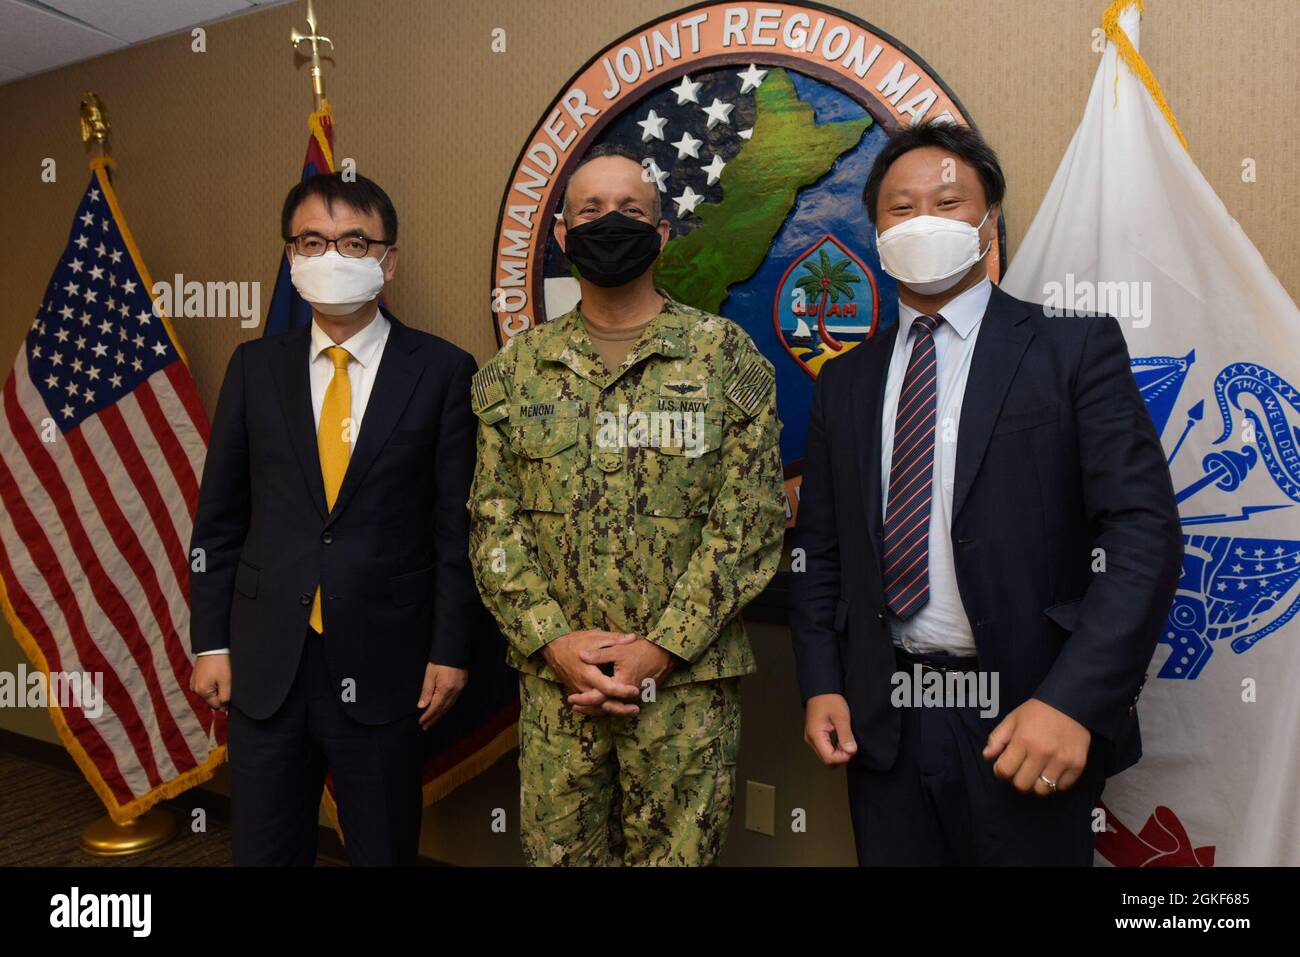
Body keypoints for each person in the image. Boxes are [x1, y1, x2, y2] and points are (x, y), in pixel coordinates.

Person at [789, 121, 1182, 865]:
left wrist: (1073, 699)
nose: (925, 220)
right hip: (888, 720)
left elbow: (1143, 534)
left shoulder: (1073, 348)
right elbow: (821, 547)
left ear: (989, 221)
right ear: (875, 230)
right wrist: (822, 681)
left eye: (948, 200)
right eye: (902, 209)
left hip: (1028, 714)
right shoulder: (845, 381)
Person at [469, 143, 785, 866]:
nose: (610, 224)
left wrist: (658, 650)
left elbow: (750, 524)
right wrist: (553, 640)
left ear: (662, 232)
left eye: (631, 212)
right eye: (592, 211)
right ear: (561, 233)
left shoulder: (722, 357)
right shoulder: (516, 371)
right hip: (559, 691)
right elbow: (493, 524)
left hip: (684, 689)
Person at [188, 172, 479, 865]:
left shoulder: (442, 371)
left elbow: (455, 529)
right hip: (266, 663)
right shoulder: (255, 367)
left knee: (382, 848)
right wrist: (210, 641)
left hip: (388, 660)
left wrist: (451, 648)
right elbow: (219, 519)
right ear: (291, 257)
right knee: (264, 850)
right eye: (313, 241)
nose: (332, 256)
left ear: (388, 259)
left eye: (354, 241)